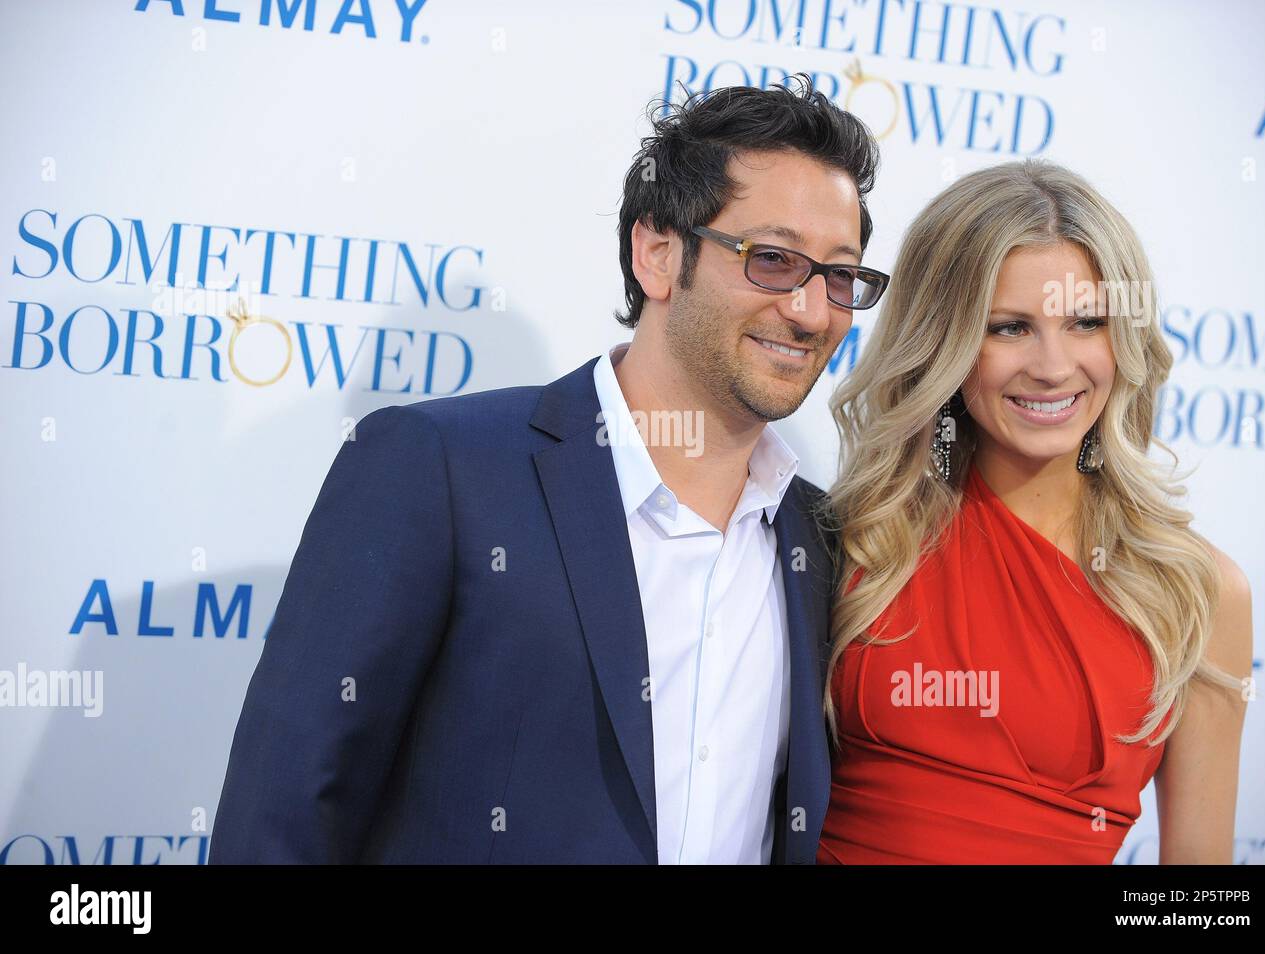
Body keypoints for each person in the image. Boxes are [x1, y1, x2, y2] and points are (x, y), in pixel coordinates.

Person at [209, 73, 889, 864]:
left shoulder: (823, 540)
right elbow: (285, 810)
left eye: (839, 276)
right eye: (772, 259)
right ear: (659, 254)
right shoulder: (440, 469)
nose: (811, 310)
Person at [816, 159, 1252, 864]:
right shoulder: (851, 543)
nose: (1053, 366)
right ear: (945, 341)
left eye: (1086, 322)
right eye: (1010, 327)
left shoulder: (1197, 594)